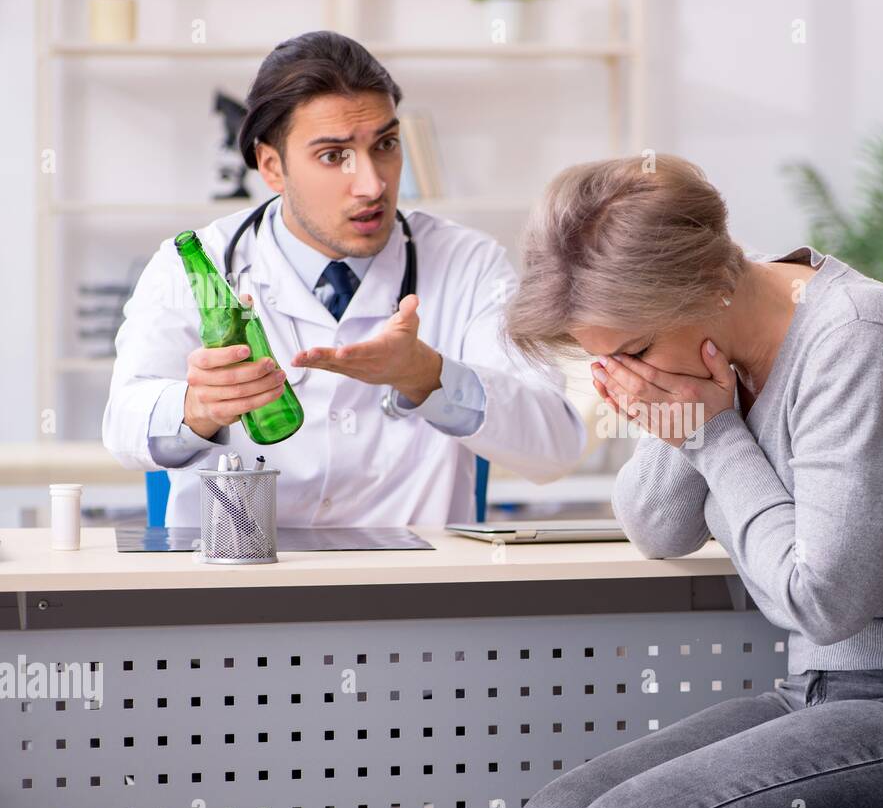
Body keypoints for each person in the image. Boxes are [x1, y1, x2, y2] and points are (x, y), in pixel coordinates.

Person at [504, 154, 883, 808]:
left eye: (637, 349)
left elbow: (824, 599)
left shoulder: (857, 339)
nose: (632, 377)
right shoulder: (715, 351)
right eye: (610, 360)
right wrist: (682, 422)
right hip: (828, 691)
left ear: (708, 280)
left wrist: (713, 434)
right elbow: (657, 528)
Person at [103, 31, 585, 527]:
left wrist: (429, 376)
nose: (373, 184)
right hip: (239, 585)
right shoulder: (195, 265)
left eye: (386, 144)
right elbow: (122, 426)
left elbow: (556, 446)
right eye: (334, 156)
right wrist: (199, 405)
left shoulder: (469, 263)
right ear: (272, 166)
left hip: (414, 592)